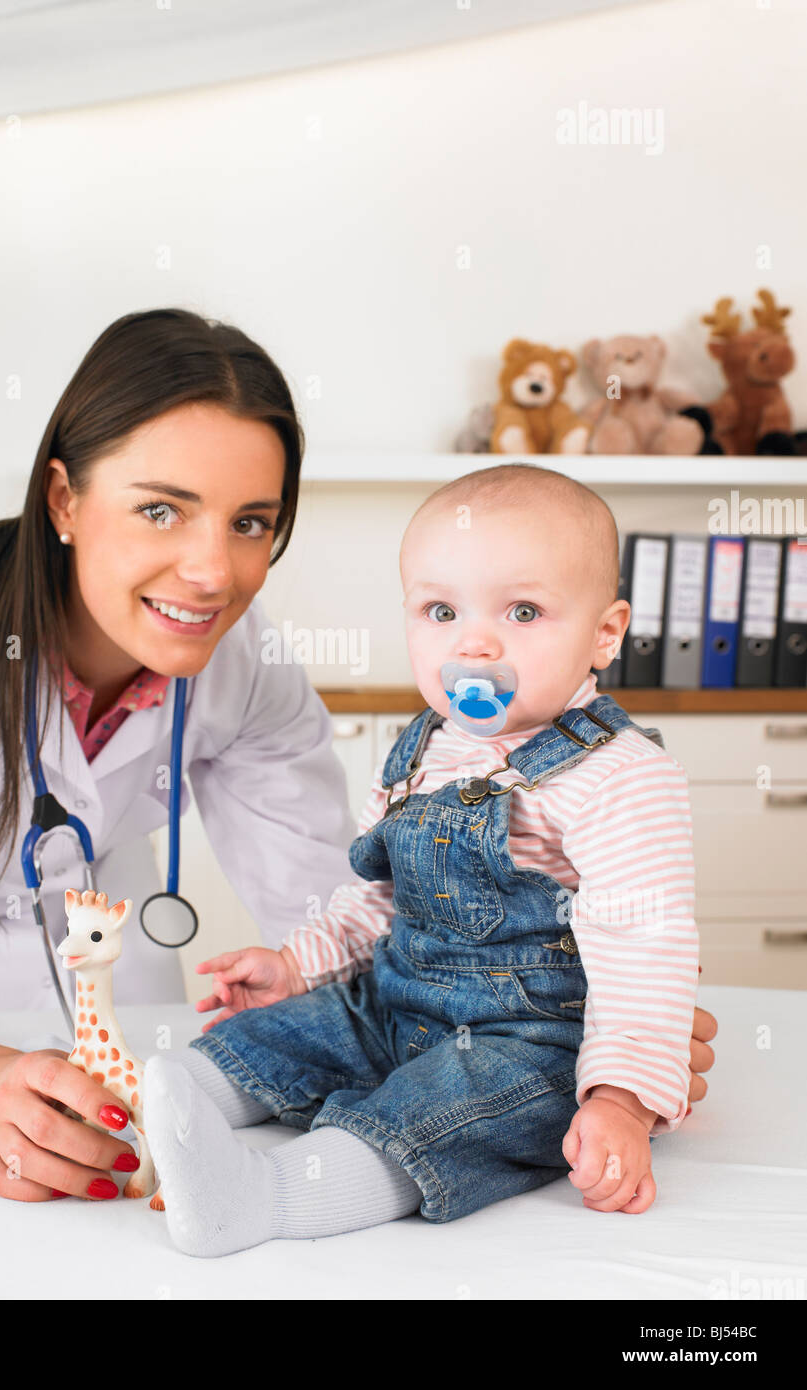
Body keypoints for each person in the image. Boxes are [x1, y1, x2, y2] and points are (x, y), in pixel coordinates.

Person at [0, 313, 716, 1207]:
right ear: (63, 499)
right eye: (160, 509)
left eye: (250, 522)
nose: (212, 572)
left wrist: (611, 1044)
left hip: (105, 964)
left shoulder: (239, 653)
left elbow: (346, 900)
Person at [140, 462, 708, 1256]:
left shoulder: (617, 774)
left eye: (522, 610)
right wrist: (299, 965)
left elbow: (644, 947)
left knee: (438, 1114)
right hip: (395, 1002)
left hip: (527, 1043)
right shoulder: (421, 748)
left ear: (603, 633)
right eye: (440, 610)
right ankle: (163, 1114)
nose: (473, 642)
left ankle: (261, 1199)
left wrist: (619, 1097)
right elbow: (375, 896)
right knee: (284, 1032)